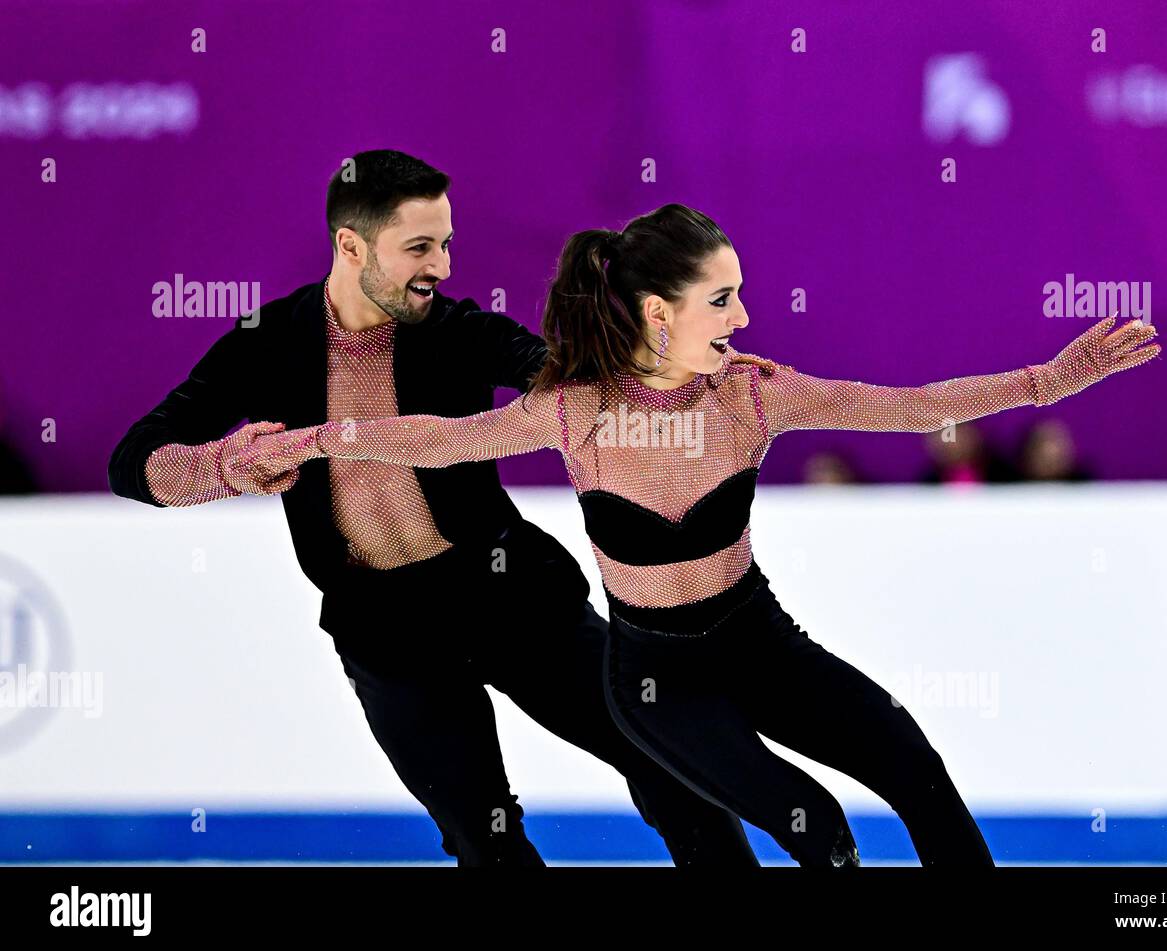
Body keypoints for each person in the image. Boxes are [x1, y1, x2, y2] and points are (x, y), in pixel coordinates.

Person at [249, 203, 1162, 866]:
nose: (744, 319)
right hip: (656, 680)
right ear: (659, 312)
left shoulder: (755, 392)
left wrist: (1046, 381)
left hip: (758, 643)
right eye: (722, 300)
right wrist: (329, 438)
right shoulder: (577, 411)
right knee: (813, 823)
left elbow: (913, 407)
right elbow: (445, 440)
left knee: (909, 760)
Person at [108, 154, 760, 867]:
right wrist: (221, 467)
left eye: (446, 243)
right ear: (351, 246)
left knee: (668, 763)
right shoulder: (269, 342)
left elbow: (549, 369)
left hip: (509, 598)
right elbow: (135, 461)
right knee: (485, 841)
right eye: (419, 247)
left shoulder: (455, 332)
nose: (443, 266)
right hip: (387, 631)